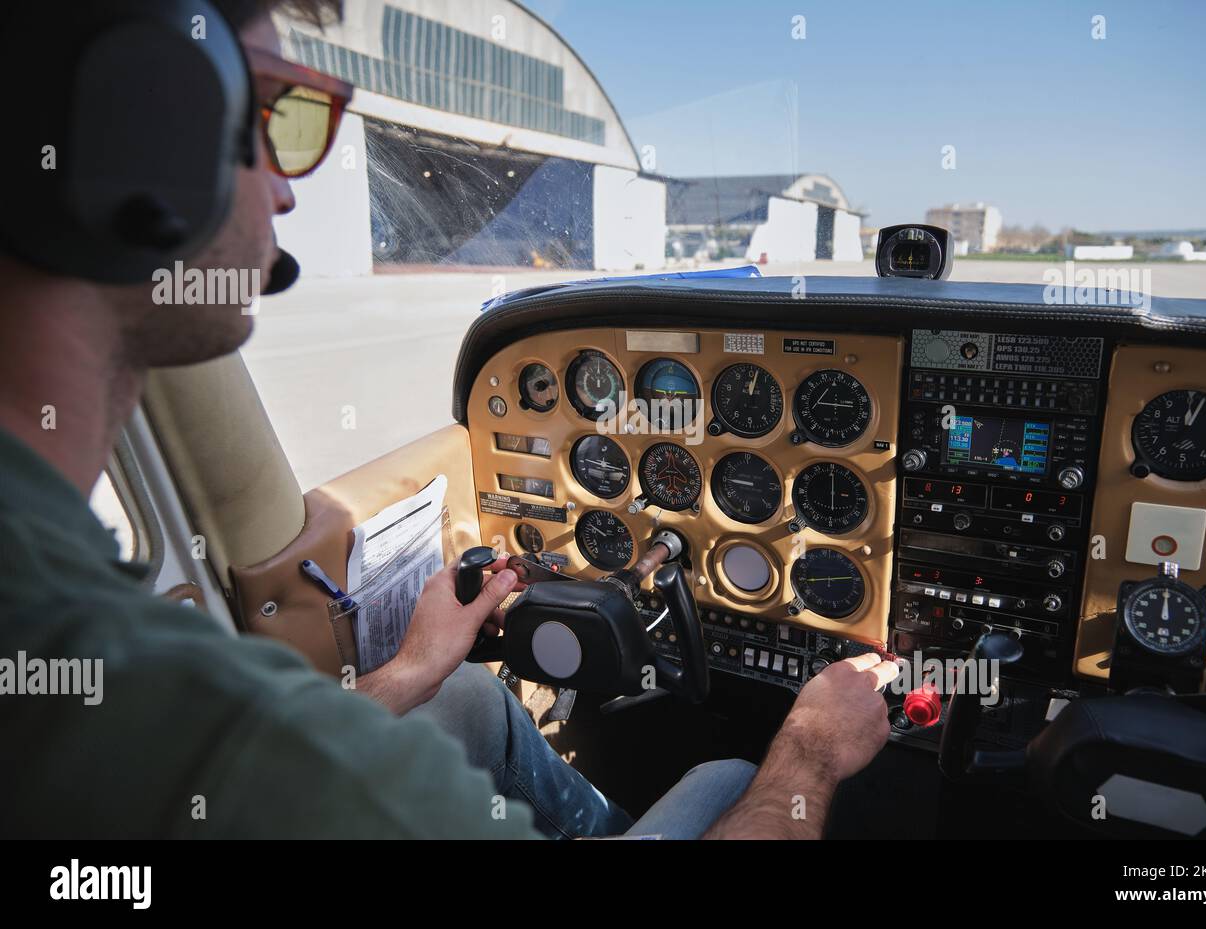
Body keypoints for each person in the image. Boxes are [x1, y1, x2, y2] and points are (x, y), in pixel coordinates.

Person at [0, 0, 897, 839]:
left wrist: (414, 665)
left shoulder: (60, 600)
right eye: (278, 115)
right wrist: (812, 749)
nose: (285, 193)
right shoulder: (180, 719)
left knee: (463, 698)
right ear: (131, 124)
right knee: (736, 769)